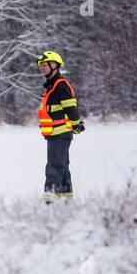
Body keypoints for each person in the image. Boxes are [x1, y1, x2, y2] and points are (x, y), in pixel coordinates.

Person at [36, 50, 83, 199]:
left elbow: (71, 108)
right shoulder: (50, 86)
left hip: (60, 134)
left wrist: (76, 125)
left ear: (54, 65)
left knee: (54, 169)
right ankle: (65, 203)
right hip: (54, 134)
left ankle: (49, 204)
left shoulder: (60, 85)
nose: (42, 67)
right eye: (41, 65)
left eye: (45, 64)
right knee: (62, 169)